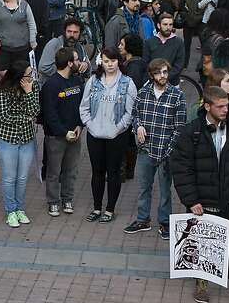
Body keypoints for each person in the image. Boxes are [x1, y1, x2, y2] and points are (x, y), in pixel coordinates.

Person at [169, 86, 229, 303]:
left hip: (224, 200)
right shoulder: (192, 132)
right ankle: (201, 281)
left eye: (227, 106)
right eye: (220, 106)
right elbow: (181, 168)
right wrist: (191, 200)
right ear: (207, 107)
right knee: (198, 241)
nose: (225, 110)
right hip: (199, 201)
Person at [126, 58, 186, 239]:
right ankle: (143, 219)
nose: (163, 76)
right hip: (145, 150)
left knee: (166, 191)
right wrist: (138, 127)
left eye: (165, 72)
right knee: (144, 187)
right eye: (159, 72)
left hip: (166, 152)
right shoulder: (143, 93)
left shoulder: (177, 95)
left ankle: (165, 223)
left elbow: (180, 127)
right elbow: (134, 115)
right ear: (152, 75)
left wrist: (169, 151)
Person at [79, 47, 135, 223]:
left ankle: (109, 209)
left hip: (117, 136)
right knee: (97, 172)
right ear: (101, 62)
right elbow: (84, 106)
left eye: (113, 61)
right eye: (106, 61)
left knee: (113, 172)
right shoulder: (93, 81)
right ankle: (97, 207)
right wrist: (89, 124)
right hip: (94, 135)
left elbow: (130, 111)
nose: (110, 64)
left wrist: (119, 128)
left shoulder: (127, 83)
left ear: (119, 61)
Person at [0, 63, 40, 228]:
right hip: (7, 139)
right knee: (10, 177)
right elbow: (4, 116)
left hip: (27, 138)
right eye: (28, 75)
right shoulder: (2, 91)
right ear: (18, 76)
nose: (31, 78)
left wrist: (28, 92)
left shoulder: (32, 87)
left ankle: (20, 208)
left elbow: (35, 111)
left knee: (22, 177)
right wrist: (25, 118)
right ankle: (10, 211)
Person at [41, 48, 85, 217]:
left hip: (75, 134)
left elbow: (83, 106)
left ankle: (67, 199)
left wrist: (80, 126)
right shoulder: (51, 85)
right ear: (69, 63)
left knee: (71, 170)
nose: (78, 62)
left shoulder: (77, 82)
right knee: (54, 171)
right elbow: (49, 113)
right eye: (75, 60)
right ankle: (53, 202)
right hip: (56, 138)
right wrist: (63, 132)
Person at [0, 0, 37, 76]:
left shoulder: (24, 5)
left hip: (22, 46)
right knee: (1, 69)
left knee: (22, 71)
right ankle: (11, 84)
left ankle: (16, 86)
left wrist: (32, 40)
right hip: (4, 46)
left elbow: (31, 23)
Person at [144, 13, 187, 85]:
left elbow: (179, 64)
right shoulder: (149, 42)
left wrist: (165, 77)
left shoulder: (178, 42)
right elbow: (145, 62)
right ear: (158, 25)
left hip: (172, 83)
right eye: (165, 24)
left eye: (170, 24)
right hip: (154, 82)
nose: (168, 27)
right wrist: (155, 76)